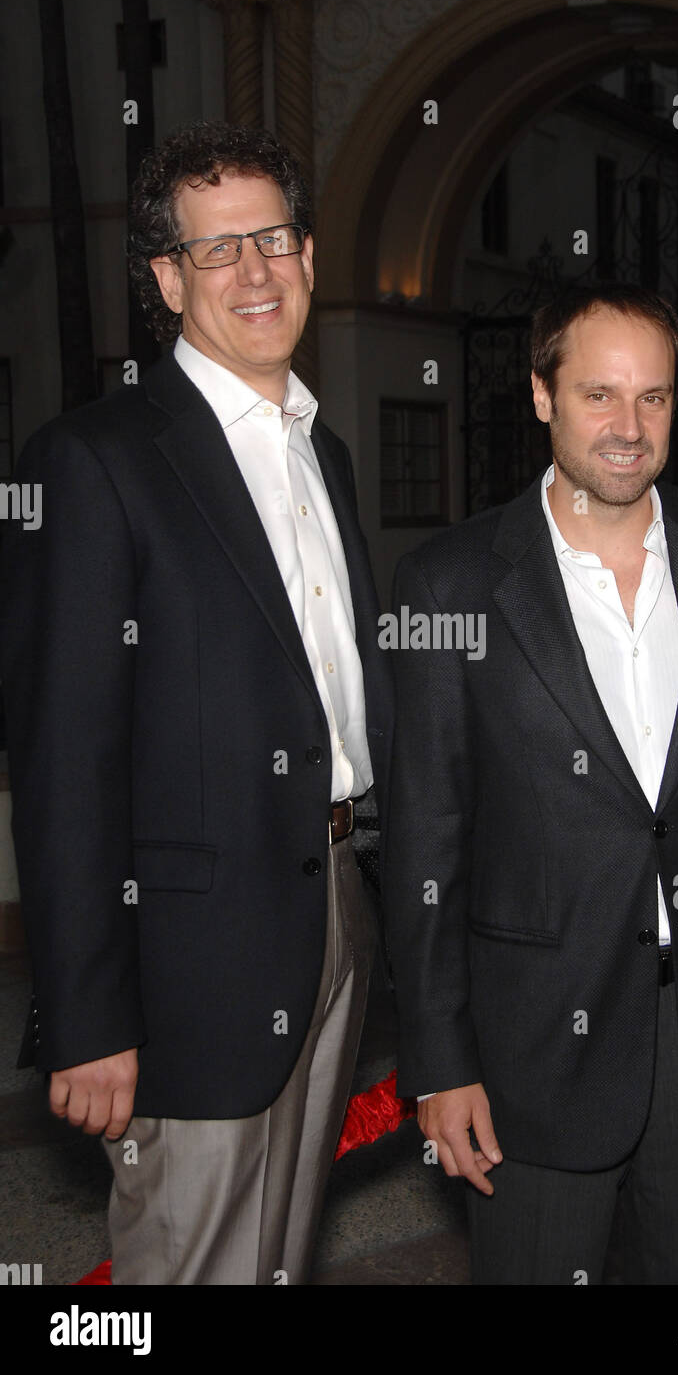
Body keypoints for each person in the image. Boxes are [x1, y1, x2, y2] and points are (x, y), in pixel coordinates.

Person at [1, 120, 391, 1285]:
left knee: (276, 1256)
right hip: (188, 959)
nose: (254, 272)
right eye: (217, 252)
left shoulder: (325, 455)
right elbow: (63, 758)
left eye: (273, 238)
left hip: (334, 909)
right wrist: (87, 1016)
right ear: (167, 279)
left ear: (309, 257)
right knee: (191, 1265)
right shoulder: (95, 459)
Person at [384, 284, 678, 1285]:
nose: (627, 428)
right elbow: (426, 838)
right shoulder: (449, 585)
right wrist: (439, 1060)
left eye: (653, 398)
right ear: (540, 397)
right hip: (531, 1046)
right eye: (597, 395)